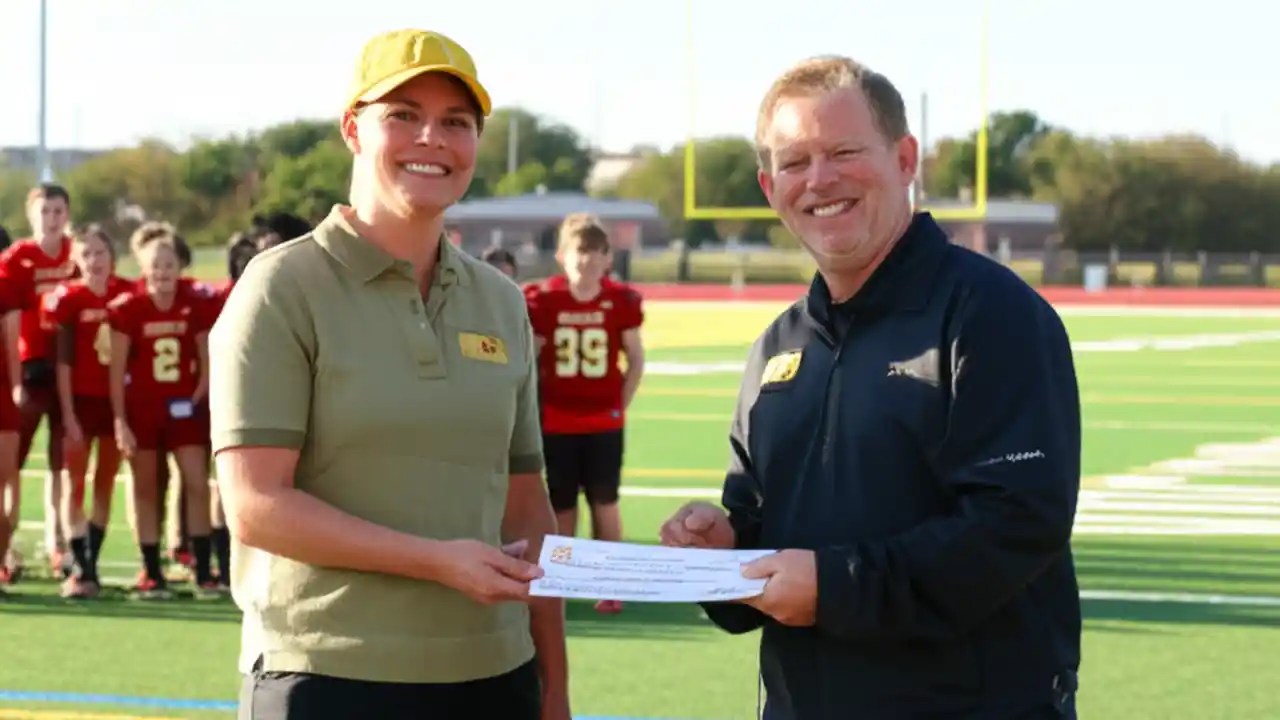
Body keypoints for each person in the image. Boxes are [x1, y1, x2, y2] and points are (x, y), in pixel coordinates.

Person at [659, 55, 1082, 719]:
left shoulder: (990, 312)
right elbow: (762, 526)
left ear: (905, 159)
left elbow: (1017, 524)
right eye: (795, 162)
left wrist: (834, 587)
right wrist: (724, 552)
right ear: (770, 187)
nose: (819, 179)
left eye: (845, 152)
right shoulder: (778, 346)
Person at [210, 28, 568, 720]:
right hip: (327, 671)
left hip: (497, 675)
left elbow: (527, 506)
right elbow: (255, 505)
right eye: (403, 114)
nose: (432, 138)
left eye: (456, 122)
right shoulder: (282, 287)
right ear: (353, 128)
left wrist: (553, 688)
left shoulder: (501, 302)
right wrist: (436, 560)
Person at [523, 213, 645, 614]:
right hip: (557, 419)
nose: (588, 259)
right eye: (580, 250)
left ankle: (610, 583)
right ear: (562, 255)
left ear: (608, 257)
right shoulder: (544, 300)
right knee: (562, 505)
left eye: (596, 251)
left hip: (602, 422)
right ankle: (561, 581)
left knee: (605, 502)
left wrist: (618, 405)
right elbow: (530, 360)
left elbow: (635, 358)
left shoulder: (620, 300)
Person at [109, 222, 220, 599]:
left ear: (180, 266)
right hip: (143, 409)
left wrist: (199, 397)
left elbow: (206, 359)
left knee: (197, 483)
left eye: (169, 264)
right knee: (145, 488)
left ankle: (202, 569)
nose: (162, 272)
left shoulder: (195, 302)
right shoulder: (128, 308)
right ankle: (152, 570)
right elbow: (116, 371)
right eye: (155, 265)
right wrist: (120, 420)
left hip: (184, 408)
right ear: (143, 268)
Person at [46, 225, 132, 598]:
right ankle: (80, 565)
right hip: (80, 401)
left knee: (105, 482)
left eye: (100, 252)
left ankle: (90, 563)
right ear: (75, 260)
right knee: (75, 483)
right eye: (86, 254)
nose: (94, 260)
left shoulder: (127, 294)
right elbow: (64, 362)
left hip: (115, 402)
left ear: (112, 255)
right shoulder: (70, 298)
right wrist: (68, 414)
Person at [0, 184, 79, 581]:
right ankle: (6, 546)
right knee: (10, 466)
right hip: (28, 369)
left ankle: (58, 543)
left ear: (67, 214)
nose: (52, 218)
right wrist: (16, 378)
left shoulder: (77, 253)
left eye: (58, 210)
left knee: (62, 462)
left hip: (68, 367)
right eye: (45, 211)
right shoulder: (17, 258)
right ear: (32, 215)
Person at [0, 269, 23, 587]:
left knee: (3, 478)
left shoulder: (5, 290)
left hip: (2, 395)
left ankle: (3, 557)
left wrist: (18, 389)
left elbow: (13, 347)